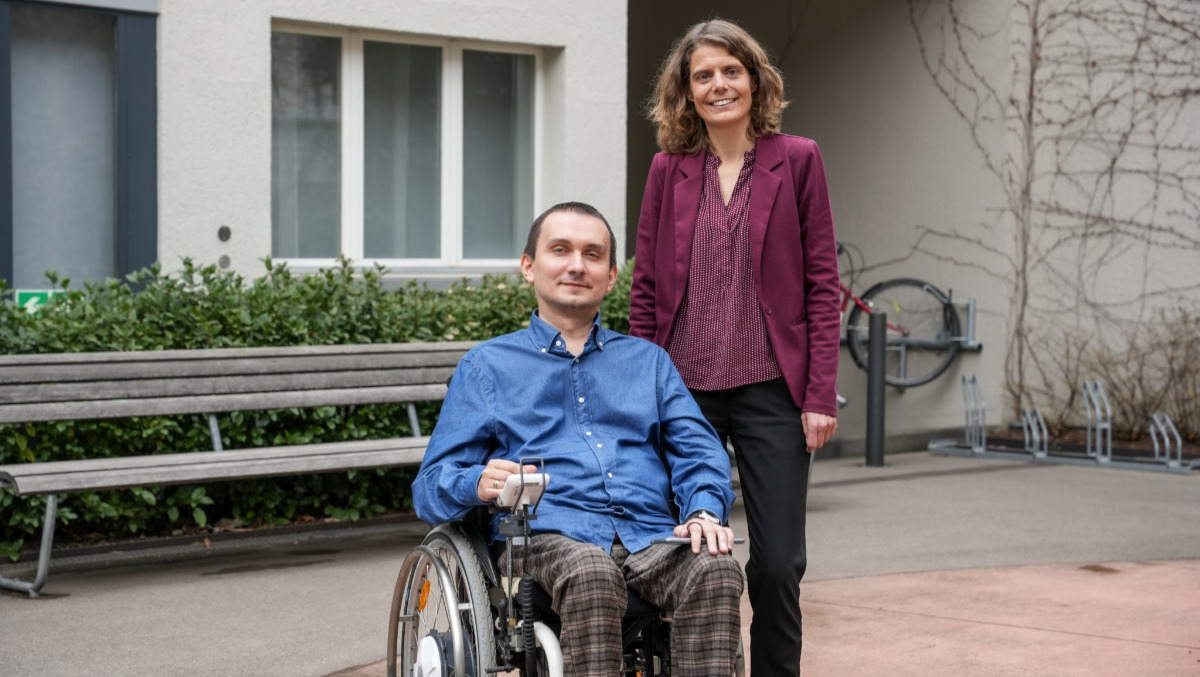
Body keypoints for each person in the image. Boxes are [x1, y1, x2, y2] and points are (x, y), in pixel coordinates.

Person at [412, 201, 745, 677]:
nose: (576, 265)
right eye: (560, 250)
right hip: (545, 536)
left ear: (611, 277)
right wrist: (477, 482)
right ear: (529, 266)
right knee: (591, 571)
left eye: (592, 254)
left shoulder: (649, 363)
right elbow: (430, 487)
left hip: (649, 534)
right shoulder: (486, 368)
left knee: (717, 567)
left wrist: (704, 511)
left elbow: (699, 449)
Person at [630, 19, 840, 677]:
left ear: (754, 79)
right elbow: (646, 287)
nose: (718, 85)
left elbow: (822, 284)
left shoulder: (797, 159)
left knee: (777, 563)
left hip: (772, 391)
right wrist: (637, 390)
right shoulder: (667, 170)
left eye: (730, 71)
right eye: (703, 75)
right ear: (686, 92)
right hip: (682, 391)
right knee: (676, 550)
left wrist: (818, 394)